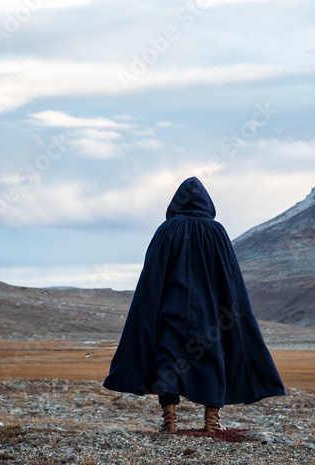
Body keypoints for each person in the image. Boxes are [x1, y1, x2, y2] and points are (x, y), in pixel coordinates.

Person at [103, 177, 286, 433]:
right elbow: (229, 278)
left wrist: (147, 310)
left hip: (171, 311)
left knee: (168, 360)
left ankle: (170, 423)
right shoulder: (217, 232)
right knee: (212, 361)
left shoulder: (166, 230)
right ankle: (211, 425)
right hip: (211, 314)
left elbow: (152, 276)